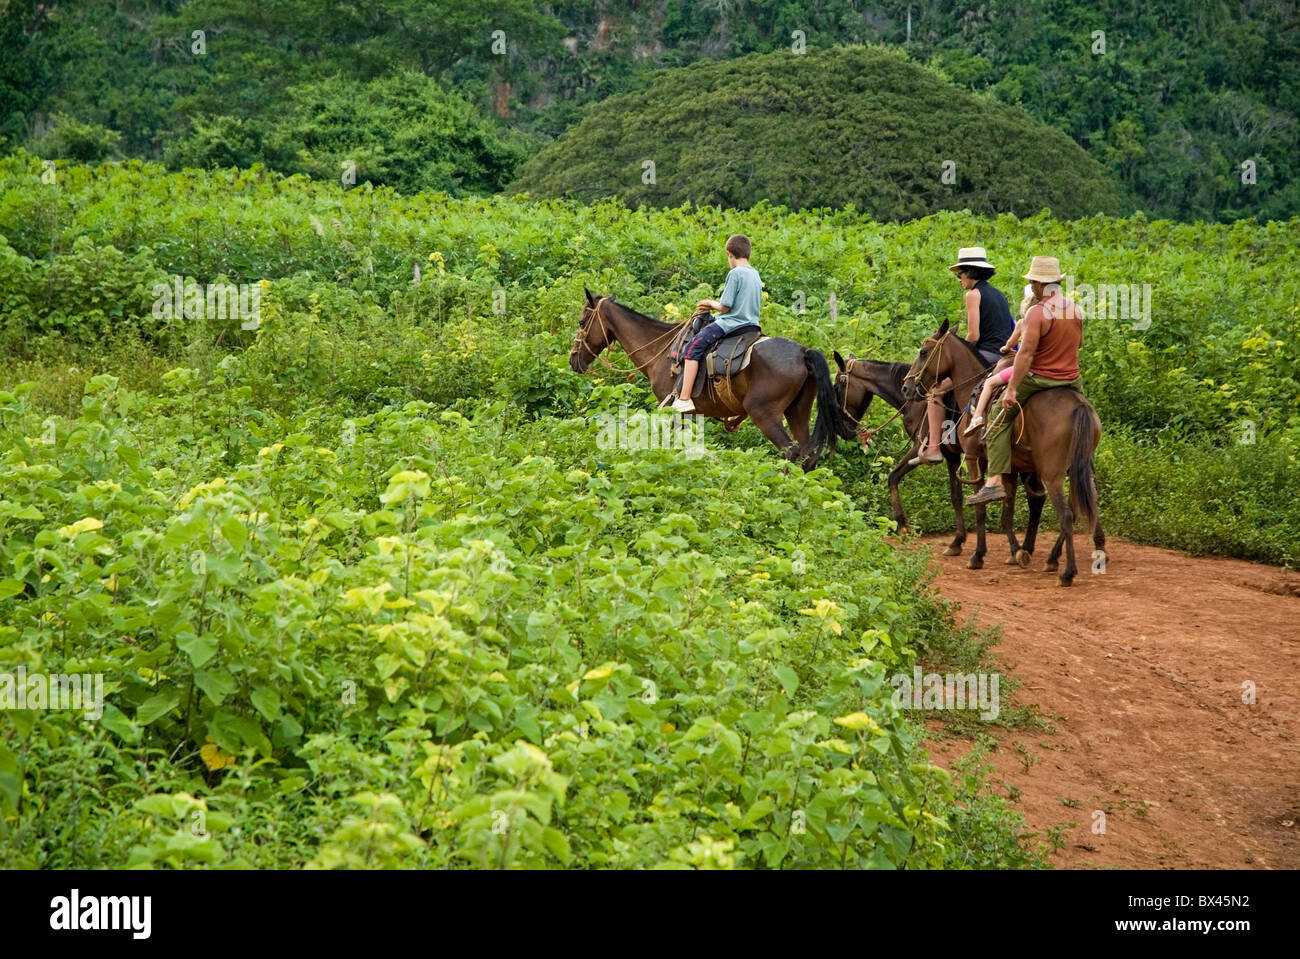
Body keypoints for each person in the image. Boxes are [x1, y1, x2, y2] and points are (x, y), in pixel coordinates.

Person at [967, 256, 1086, 506]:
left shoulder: (1036, 312)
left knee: (998, 418)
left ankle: (994, 481)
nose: (1032, 286)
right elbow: (1080, 344)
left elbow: (1026, 354)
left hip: (1041, 379)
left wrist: (1011, 390)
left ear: (1039, 284)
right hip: (1072, 380)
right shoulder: (1075, 310)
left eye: (1033, 281)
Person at [910, 246, 1014, 465]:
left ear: (970, 272)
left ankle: (933, 447)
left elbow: (974, 335)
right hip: (1004, 357)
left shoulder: (973, 294)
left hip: (985, 356)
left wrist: (961, 349)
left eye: (960, 274)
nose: (959, 278)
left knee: (935, 391)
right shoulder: (999, 294)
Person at [669, 234, 762, 414]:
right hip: (752, 325)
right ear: (748, 254)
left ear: (729, 254)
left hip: (731, 324)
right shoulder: (755, 274)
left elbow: (725, 307)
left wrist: (710, 304)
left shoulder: (735, 273)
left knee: (693, 348)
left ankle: (685, 398)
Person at [964, 284, 1037, 435]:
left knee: (989, 383)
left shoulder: (1022, 323)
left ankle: (976, 418)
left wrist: (1005, 349)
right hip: (1051, 369)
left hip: (1026, 368)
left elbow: (1010, 343)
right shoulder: (1051, 320)